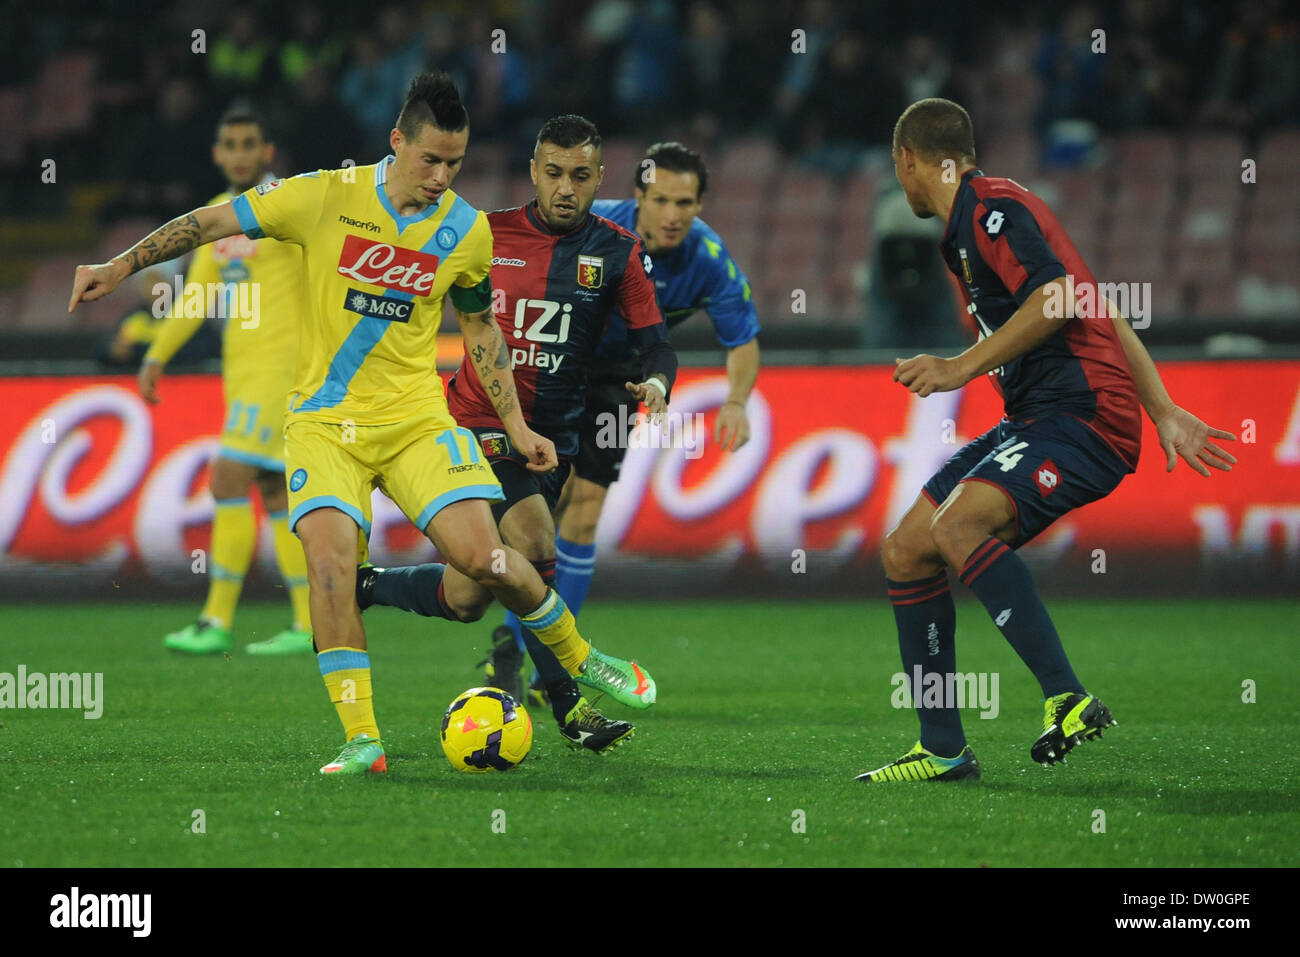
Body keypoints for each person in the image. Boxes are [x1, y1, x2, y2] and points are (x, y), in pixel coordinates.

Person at [69, 72, 652, 776]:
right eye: (430, 159)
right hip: (322, 423)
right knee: (330, 570)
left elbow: (482, 334)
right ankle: (363, 739)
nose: (442, 177)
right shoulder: (322, 196)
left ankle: (586, 659)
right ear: (396, 141)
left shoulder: (463, 230)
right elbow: (211, 222)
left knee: (487, 563)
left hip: (414, 420)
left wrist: (515, 425)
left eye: (455, 164)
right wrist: (122, 263)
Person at [861, 98, 1237, 782]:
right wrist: (1165, 407)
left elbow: (1059, 298)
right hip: (1039, 414)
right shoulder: (974, 223)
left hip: (1081, 412)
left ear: (908, 161)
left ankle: (1066, 695)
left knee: (959, 527)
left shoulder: (988, 209)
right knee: (907, 547)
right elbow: (1099, 304)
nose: (901, 181)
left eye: (898, 169)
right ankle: (942, 747)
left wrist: (959, 367)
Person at [359, 114, 671, 751]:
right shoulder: (481, 232)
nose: (565, 187)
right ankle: (570, 706)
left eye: (580, 176)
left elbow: (655, 344)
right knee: (534, 540)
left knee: (469, 594)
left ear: (598, 179)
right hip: (472, 423)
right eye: (553, 173)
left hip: (551, 442)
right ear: (533, 172)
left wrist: (658, 384)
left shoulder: (617, 252)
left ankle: (369, 585)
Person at [483, 141, 761, 695]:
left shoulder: (708, 259)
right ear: (637, 196)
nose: (672, 214)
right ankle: (510, 646)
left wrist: (735, 402)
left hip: (617, 386)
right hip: (552, 371)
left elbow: (744, 338)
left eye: (685, 202)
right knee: (538, 517)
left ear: (701, 204)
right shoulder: (600, 228)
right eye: (661, 199)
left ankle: (549, 666)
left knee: (583, 515)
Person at [143, 104, 314, 656]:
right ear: (218, 154)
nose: (240, 153)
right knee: (273, 491)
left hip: (281, 369)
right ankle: (308, 624)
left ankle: (216, 619)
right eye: (230, 144)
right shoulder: (217, 214)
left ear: (267, 153)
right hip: (242, 373)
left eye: (250, 144)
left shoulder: (286, 205)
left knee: (227, 478)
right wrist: (156, 355)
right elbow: (196, 296)